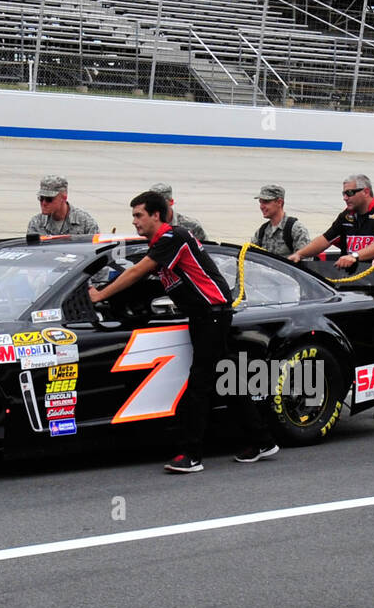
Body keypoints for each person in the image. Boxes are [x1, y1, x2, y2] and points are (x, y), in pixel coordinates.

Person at [87, 191, 278, 472]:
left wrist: (100, 295)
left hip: (211, 315)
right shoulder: (159, 243)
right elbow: (141, 279)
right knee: (226, 380)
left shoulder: (171, 238)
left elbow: (138, 272)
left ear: (156, 215)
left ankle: (191, 454)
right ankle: (262, 441)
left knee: (199, 385)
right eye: (133, 216)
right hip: (205, 316)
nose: (135, 221)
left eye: (139, 215)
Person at [288, 174, 374, 417]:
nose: (346, 197)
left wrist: (355, 256)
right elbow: (326, 238)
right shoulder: (347, 216)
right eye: (343, 193)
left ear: (366, 192)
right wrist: (299, 255)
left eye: (350, 193)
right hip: (354, 291)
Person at [27, 175, 99, 236]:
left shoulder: (85, 223)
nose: (44, 203)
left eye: (49, 199)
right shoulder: (36, 224)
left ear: (64, 198)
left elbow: (95, 249)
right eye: (41, 198)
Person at [250, 184, 311, 256]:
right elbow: (252, 257)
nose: (262, 206)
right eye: (260, 202)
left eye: (266, 202)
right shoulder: (261, 232)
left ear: (279, 202)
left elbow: (305, 261)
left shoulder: (296, 230)